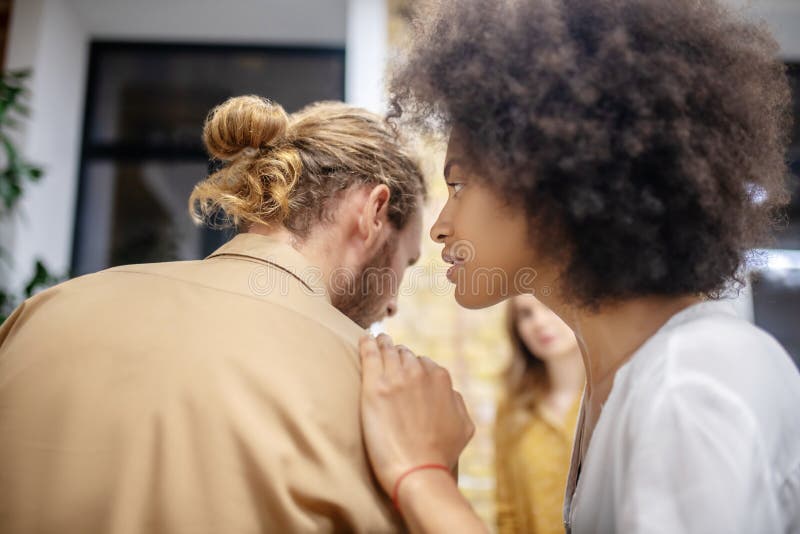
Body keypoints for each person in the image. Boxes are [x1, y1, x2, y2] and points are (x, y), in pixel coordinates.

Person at [357, 1, 800, 533]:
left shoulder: (692, 385)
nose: (440, 227)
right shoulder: (624, 383)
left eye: (459, 185)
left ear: (550, 182)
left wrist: (420, 474)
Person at [0, 95, 426, 533]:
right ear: (373, 212)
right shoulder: (375, 396)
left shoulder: (47, 311)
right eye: (406, 263)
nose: (392, 301)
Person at [494, 295, 584, 534]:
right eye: (526, 314)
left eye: (551, 306)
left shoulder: (612, 397)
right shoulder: (511, 408)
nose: (539, 322)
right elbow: (507, 511)